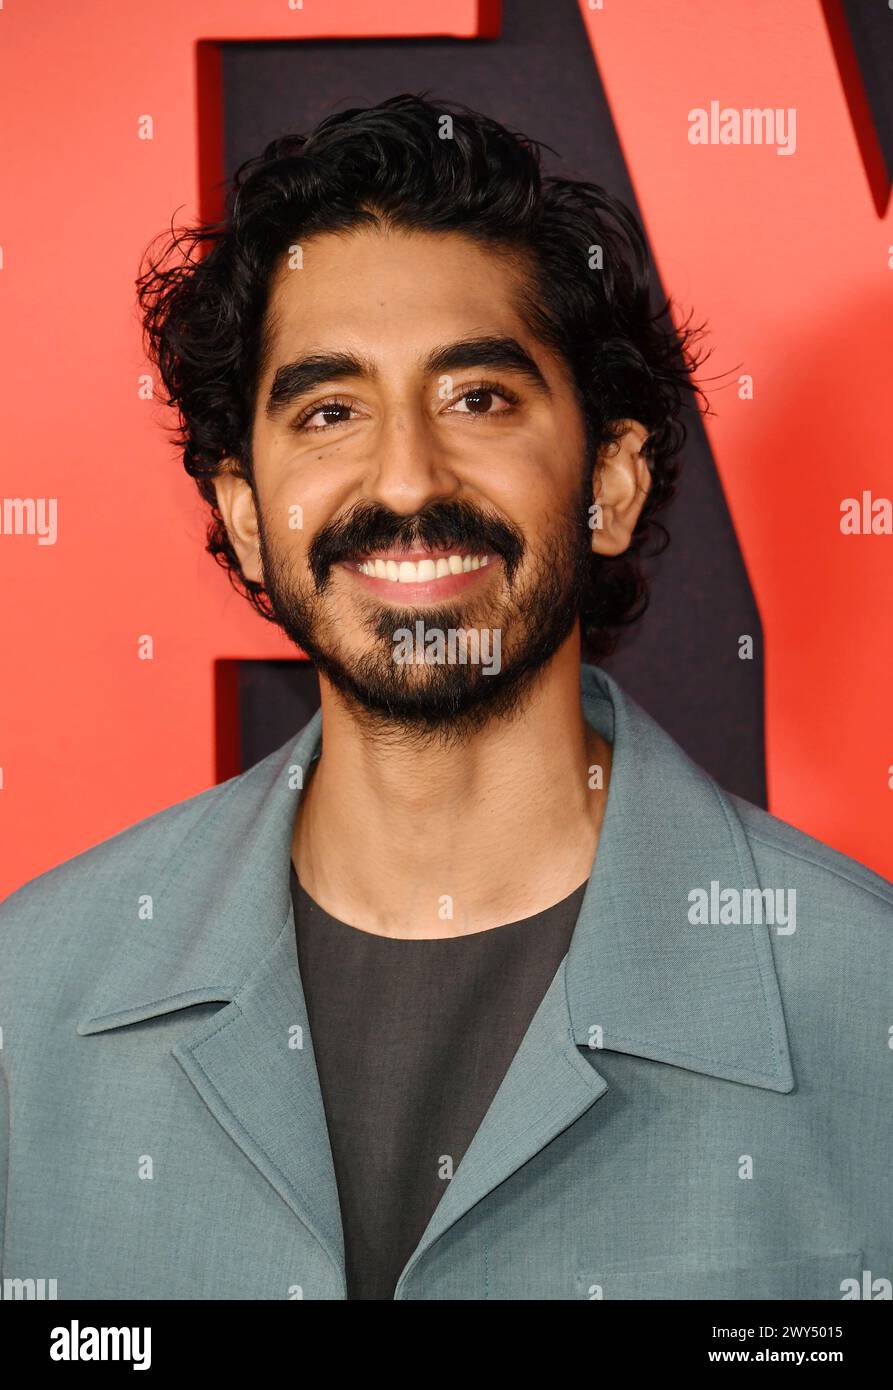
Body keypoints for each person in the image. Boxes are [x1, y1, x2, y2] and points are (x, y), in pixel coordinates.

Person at [1, 94, 891, 1302]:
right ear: (247, 519)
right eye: (329, 411)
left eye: (478, 398)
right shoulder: (28, 996)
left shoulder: (863, 997)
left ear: (610, 485)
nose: (407, 476)